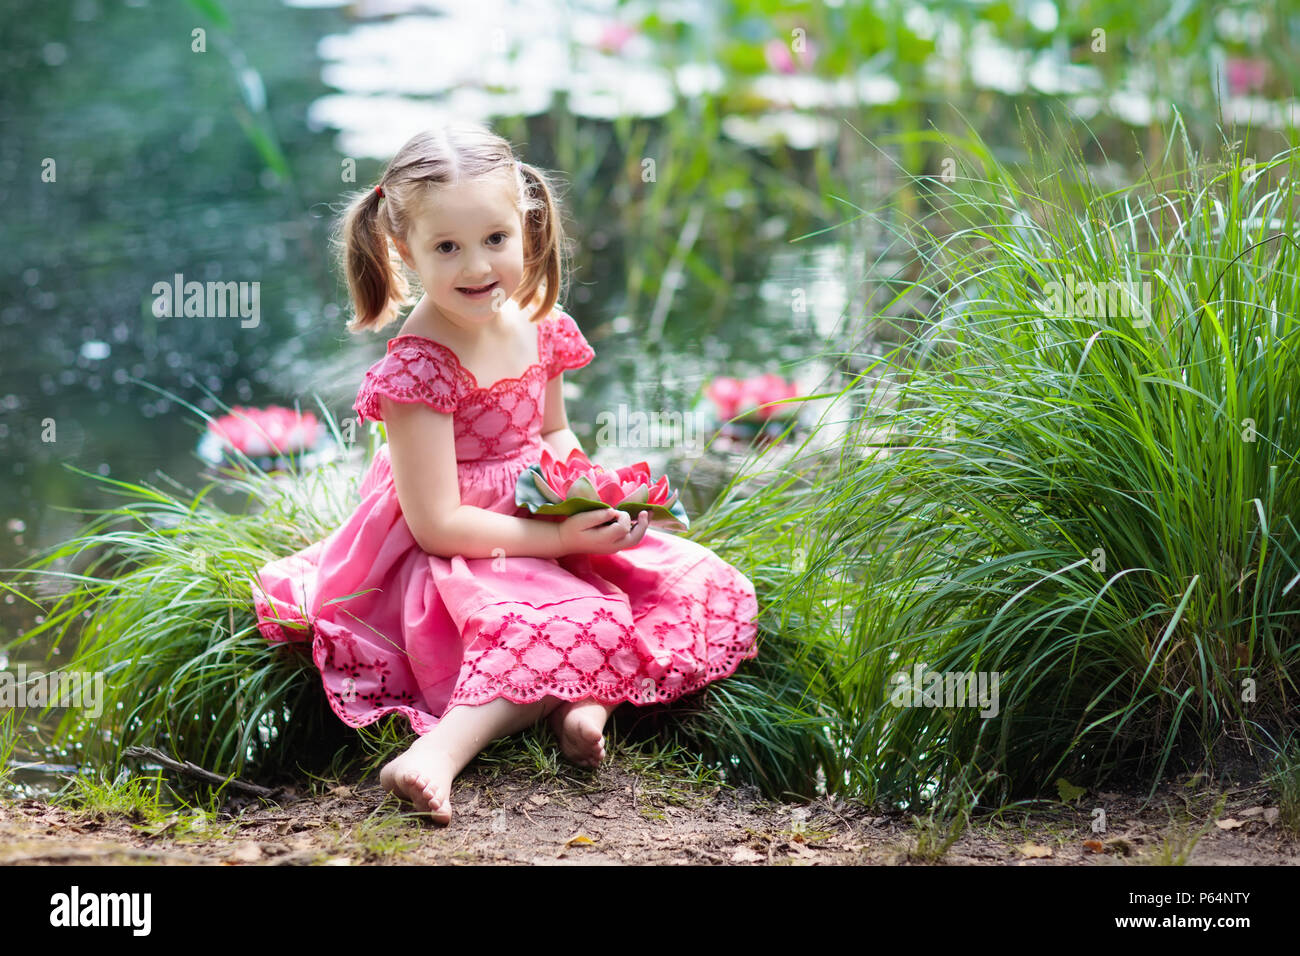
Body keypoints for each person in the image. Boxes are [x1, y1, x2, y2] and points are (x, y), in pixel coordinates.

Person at [251, 123, 758, 825]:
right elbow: (436, 526)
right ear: (404, 249)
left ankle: (585, 704)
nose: (477, 267)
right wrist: (557, 545)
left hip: (536, 511)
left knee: (693, 580)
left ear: (525, 223)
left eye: (495, 239)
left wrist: (590, 493)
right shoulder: (417, 367)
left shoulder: (538, 320)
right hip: (463, 544)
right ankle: (439, 755)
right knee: (531, 623)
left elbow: (551, 430)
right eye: (447, 248)